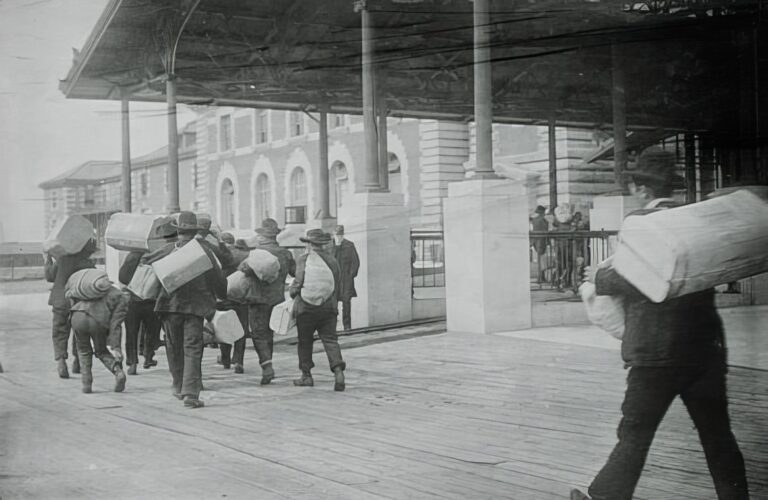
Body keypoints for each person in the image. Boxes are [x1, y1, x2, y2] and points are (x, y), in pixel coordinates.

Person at [570, 148, 749, 500]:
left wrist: (599, 277)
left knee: (635, 433)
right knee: (717, 434)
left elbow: (639, 277)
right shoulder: (693, 220)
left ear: (641, 188)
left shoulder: (640, 222)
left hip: (655, 353)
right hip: (705, 349)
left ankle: (605, 498)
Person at [145, 212, 227, 409]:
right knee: (192, 348)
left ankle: (177, 384)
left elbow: (145, 262)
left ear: (178, 230)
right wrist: (221, 294)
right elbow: (217, 278)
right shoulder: (204, 251)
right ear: (194, 231)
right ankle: (190, 393)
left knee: (173, 347)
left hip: (169, 307)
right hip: (195, 308)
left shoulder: (166, 250)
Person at [237, 218, 296, 383]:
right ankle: (268, 362)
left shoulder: (256, 254)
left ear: (263, 236)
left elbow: (242, 269)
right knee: (269, 333)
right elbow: (295, 273)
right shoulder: (286, 254)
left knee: (258, 333)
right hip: (277, 299)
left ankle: (266, 365)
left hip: (257, 299)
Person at [289, 229, 346, 391]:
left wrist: (293, 293)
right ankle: (338, 372)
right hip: (328, 308)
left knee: (305, 341)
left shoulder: (303, 259)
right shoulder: (333, 260)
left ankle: (306, 376)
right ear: (323, 244)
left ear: (309, 244)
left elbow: (298, 282)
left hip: (306, 309)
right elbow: (337, 283)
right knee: (330, 340)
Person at [118, 233, 176, 375]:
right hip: (151, 301)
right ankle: (148, 357)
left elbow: (122, 277)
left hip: (132, 300)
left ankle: (132, 363)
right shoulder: (163, 255)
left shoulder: (133, 256)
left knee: (131, 333)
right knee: (152, 331)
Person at [68, 271, 129, 394]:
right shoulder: (119, 297)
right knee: (101, 351)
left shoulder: (87, 290)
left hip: (77, 316)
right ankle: (118, 372)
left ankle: (86, 383)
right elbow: (115, 325)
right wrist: (116, 347)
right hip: (97, 321)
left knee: (83, 350)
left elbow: (70, 299)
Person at [44, 238, 97, 378]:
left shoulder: (62, 260)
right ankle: (78, 361)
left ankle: (61, 361)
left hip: (60, 301)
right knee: (80, 332)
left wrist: (48, 259)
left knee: (59, 331)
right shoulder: (88, 263)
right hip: (79, 303)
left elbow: (50, 276)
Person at [216, 234, 251, 373]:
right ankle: (238, 360)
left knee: (224, 328)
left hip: (222, 298)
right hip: (241, 298)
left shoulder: (219, 255)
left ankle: (225, 359)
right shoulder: (245, 255)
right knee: (240, 329)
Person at [332, 225, 359, 331]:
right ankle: (332, 326)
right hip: (333, 279)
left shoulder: (349, 245)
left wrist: (350, 275)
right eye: (337, 235)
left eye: (340, 235)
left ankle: (347, 326)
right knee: (332, 303)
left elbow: (355, 262)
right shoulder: (329, 246)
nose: (338, 237)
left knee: (346, 303)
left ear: (343, 235)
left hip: (346, 279)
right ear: (333, 235)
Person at [530, 206, 549, 283]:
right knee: (542, 259)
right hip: (541, 241)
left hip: (535, 241)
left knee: (539, 260)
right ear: (542, 212)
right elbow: (545, 231)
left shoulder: (534, 220)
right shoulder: (543, 220)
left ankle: (541, 276)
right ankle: (541, 277)